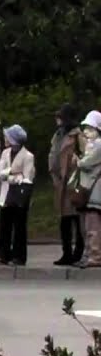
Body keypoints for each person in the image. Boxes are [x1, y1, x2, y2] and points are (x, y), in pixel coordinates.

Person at [51, 105, 87, 265]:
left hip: (74, 181)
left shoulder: (78, 135)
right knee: (64, 220)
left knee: (77, 219)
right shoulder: (57, 135)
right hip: (60, 182)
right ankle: (66, 252)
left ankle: (78, 252)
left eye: (60, 116)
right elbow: (52, 155)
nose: (57, 120)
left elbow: (85, 156)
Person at [0, 124, 35, 266]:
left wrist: (9, 175)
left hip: (20, 195)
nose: (5, 139)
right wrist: (12, 173)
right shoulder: (5, 153)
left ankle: (19, 256)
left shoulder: (28, 156)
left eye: (7, 137)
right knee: (4, 225)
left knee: (19, 226)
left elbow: (27, 176)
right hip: (6, 194)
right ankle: (3, 255)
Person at [76, 120, 101, 268]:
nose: (86, 132)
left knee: (92, 225)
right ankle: (90, 254)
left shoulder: (97, 145)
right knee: (89, 224)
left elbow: (85, 163)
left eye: (90, 129)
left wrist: (77, 161)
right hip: (92, 189)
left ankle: (95, 256)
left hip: (94, 190)